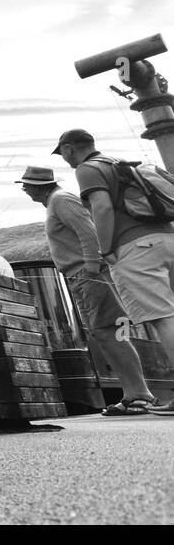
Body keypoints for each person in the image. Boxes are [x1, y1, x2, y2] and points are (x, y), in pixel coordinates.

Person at [16, 164, 164, 415]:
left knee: (111, 331)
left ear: (38, 186)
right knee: (104, 333)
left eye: (27, 186)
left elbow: (89, 231)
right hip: (82, 276)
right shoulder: (56, 201)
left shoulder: (61, 200)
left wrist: (92, 268)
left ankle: (140, 395)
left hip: (89, 276)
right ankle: (132, 394)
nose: (26, 191)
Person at [53, 128, 174, 415]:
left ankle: (139, 393)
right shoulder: (120, 163)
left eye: (64, 153)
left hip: (136, 248)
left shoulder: (87, 169)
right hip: (167, 239)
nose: (65, 159)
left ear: (69, 148)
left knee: (163, 318)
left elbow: (102, 209)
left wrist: (105, 251)